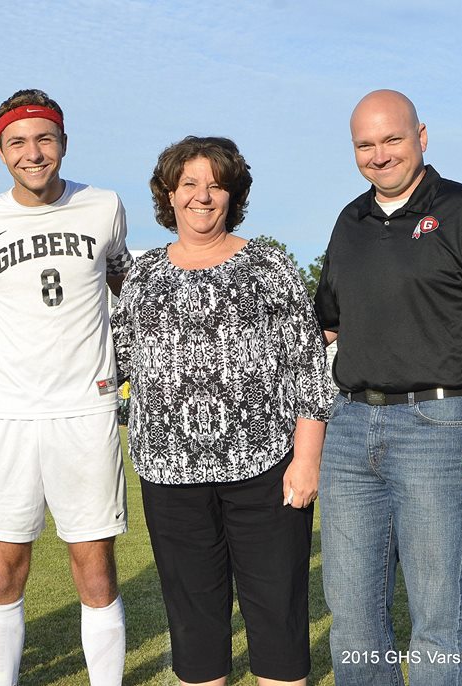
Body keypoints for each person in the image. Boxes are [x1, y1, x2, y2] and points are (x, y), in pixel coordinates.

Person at [314, 90, 462, 686]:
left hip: (440, 429)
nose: (379, 154)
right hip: (349, 430)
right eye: (365, 144)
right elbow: (328, 324)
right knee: (353, 623)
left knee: (439, 622)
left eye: (392, 139)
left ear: (422, 136)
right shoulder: (349, 222)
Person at [111, 136, 334, 686]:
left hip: (266, 471)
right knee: (193, 624)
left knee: (278, 615)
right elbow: (117, 358)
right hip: (169, 477)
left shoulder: (268, 264)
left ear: (234, 195)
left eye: (216, 185)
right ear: (168, 194)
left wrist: (306, 462)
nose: (203, 196)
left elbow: (308, 367)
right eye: (189, 184)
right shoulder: (142, 274)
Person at [0, 89, 132, 685]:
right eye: (18, 142)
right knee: (4, 567)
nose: (33, 153)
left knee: (95, 567)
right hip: (9, 413)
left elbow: (129, 288)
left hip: (86, 409)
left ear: (64, 143)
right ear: (1, 151)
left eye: (44, 138)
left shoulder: (104, 206)